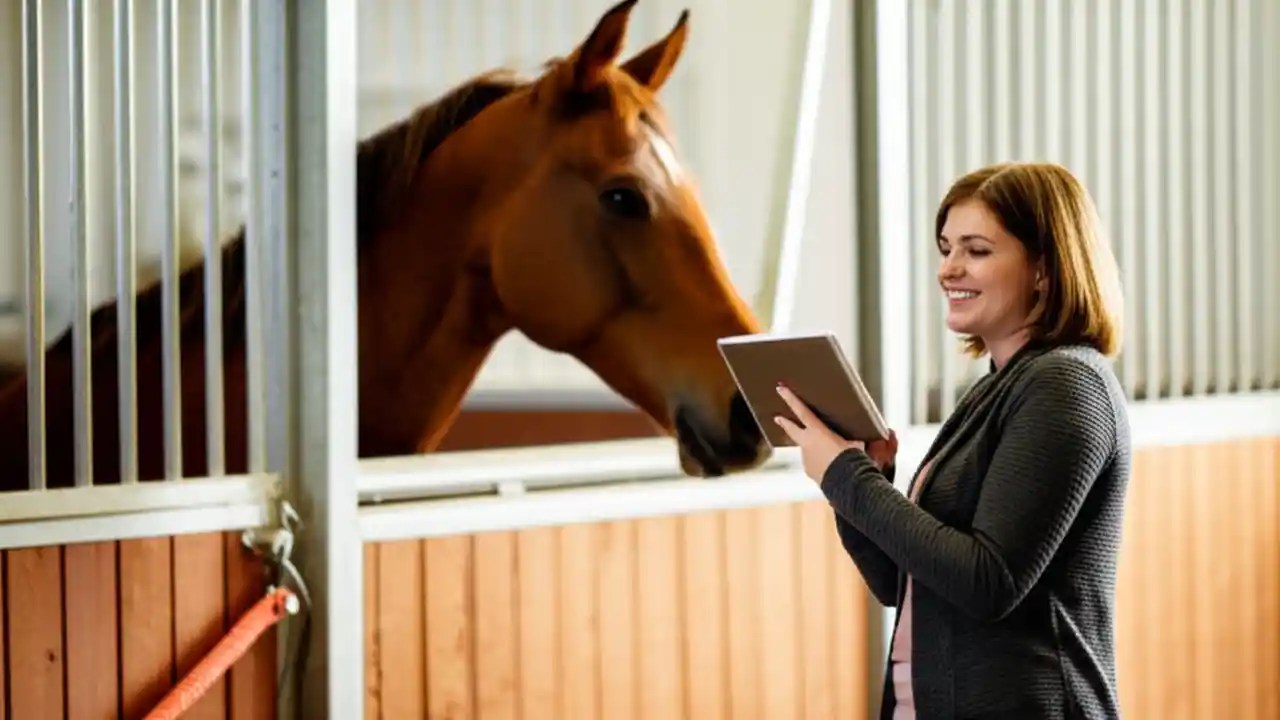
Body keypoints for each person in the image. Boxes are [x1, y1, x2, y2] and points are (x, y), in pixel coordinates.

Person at [774, 161, 1130, 719]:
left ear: (1044, 267)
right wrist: (860, 480)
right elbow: (904, 585)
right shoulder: (993, 389)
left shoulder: (1066, 385)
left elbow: (989, 583)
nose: (948, 269)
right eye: (945, 248)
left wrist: (848, 476)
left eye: (977, 250)